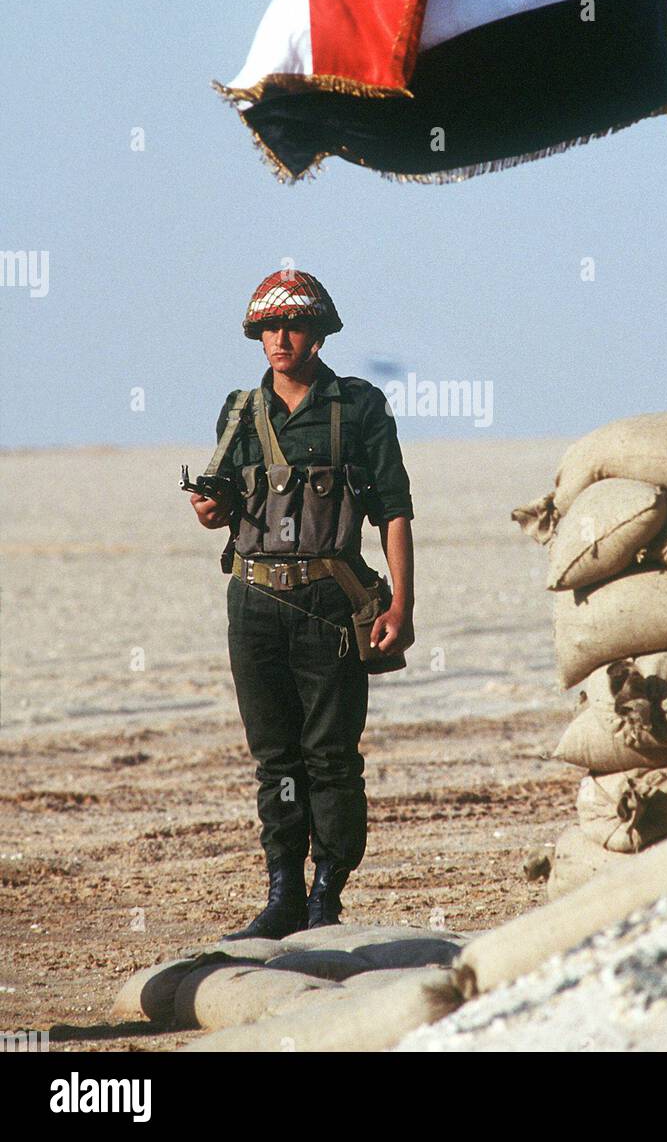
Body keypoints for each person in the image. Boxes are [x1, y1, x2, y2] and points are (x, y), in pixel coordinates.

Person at [189, 268, 415, 937]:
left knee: (332, 756)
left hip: (330, 601)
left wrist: (400, 604)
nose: (278, 338)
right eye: (268, 327)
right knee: (275, 759)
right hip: (253, 599)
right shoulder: (238, 411)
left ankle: (327, 896)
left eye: (291, 325)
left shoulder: (359, 407)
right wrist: (210, 507)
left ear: (318, 334)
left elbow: (394, 512)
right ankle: (283, 892)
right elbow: (220, 507)